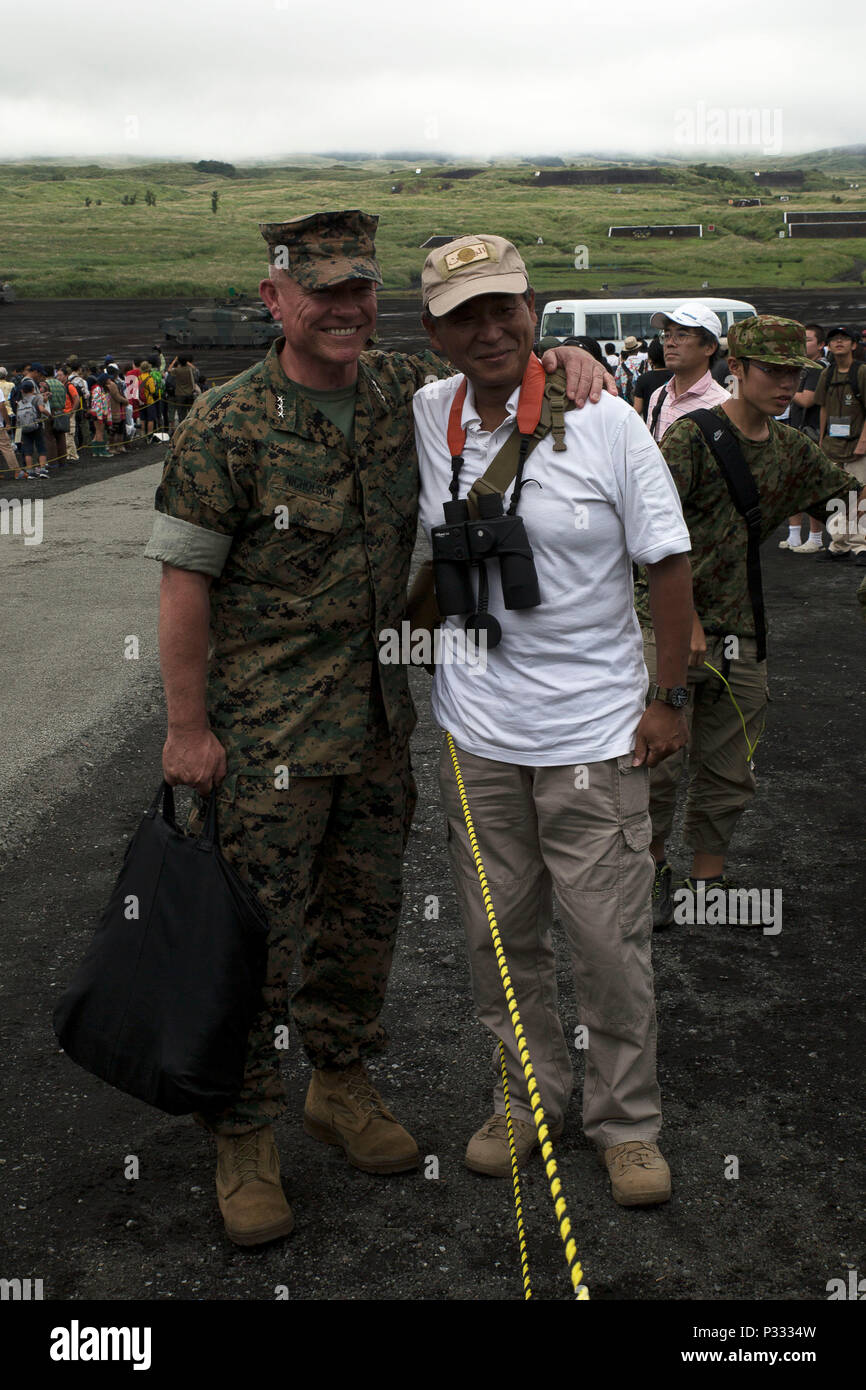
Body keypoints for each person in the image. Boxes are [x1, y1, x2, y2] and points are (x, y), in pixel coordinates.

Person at [144, 209, 608, 1248]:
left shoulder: (404, 391)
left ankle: (339, 1082)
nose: (347, 309)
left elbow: (499, 374)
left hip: (376, 725)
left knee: (362, 920)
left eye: (361, 290)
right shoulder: (224, 423)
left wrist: (567, 356)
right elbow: (183, 584)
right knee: (256, 938)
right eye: (323, 292)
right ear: (274, 300)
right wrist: (185, 728)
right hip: (264, 734)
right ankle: (243, 1127)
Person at [413, 234, 694, 1207]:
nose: (489, 328)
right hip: (478, 731)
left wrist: (665, 700)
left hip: (592, 731)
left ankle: (626, 1121)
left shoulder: (606, 420)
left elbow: (666, 563)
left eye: (505, 308)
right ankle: (527, 1099)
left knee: (607, 939)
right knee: (502, 941)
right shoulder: (424, 413)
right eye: (465, 314)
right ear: (434, 332)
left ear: (533, 310)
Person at [638, 317, 866, 926]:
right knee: (658, 761)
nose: (787, 383)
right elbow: (645, 536)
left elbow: (844, 504)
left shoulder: (793, 448)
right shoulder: (691, 438)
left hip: (743, 631)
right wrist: (679, 622)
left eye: (796, 372)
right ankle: (653, 869)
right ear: (735, 369)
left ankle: (706, 881)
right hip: (670, 629)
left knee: (730, 766)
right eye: (772, 370)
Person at [814, 326, 866, 565]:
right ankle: (838, 544)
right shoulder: (828, 373)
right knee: (836, 495)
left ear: (854, 345)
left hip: (857, 445)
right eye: (834, 340)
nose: (839, 343)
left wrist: (864, 441)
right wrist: (821, 439)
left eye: (844, 339)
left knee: (860, 495)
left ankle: (860, 544)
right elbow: (822, 407)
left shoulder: (862, 372)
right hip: (832, 445)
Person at [780, 323, 831, 554]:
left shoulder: (818, 368)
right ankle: (793, 536)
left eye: (808, 340)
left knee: (810, 485)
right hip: (797, 428)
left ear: (821, 345)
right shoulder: (803, 368)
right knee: (793, 484)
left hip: (811, 431)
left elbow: (808, 400)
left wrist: (784, 393)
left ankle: (816, 537)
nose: (803, 344)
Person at [645, 302, 730, 441]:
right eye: (666, 335)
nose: (670, 343)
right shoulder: (658, 397)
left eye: (681, 335)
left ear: (709, 347)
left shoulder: (723, 405)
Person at [633, 336, 672, 421]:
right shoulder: (677, 376)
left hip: (652, 428)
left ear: (650, 359)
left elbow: (637, 409)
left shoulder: (643, 379)